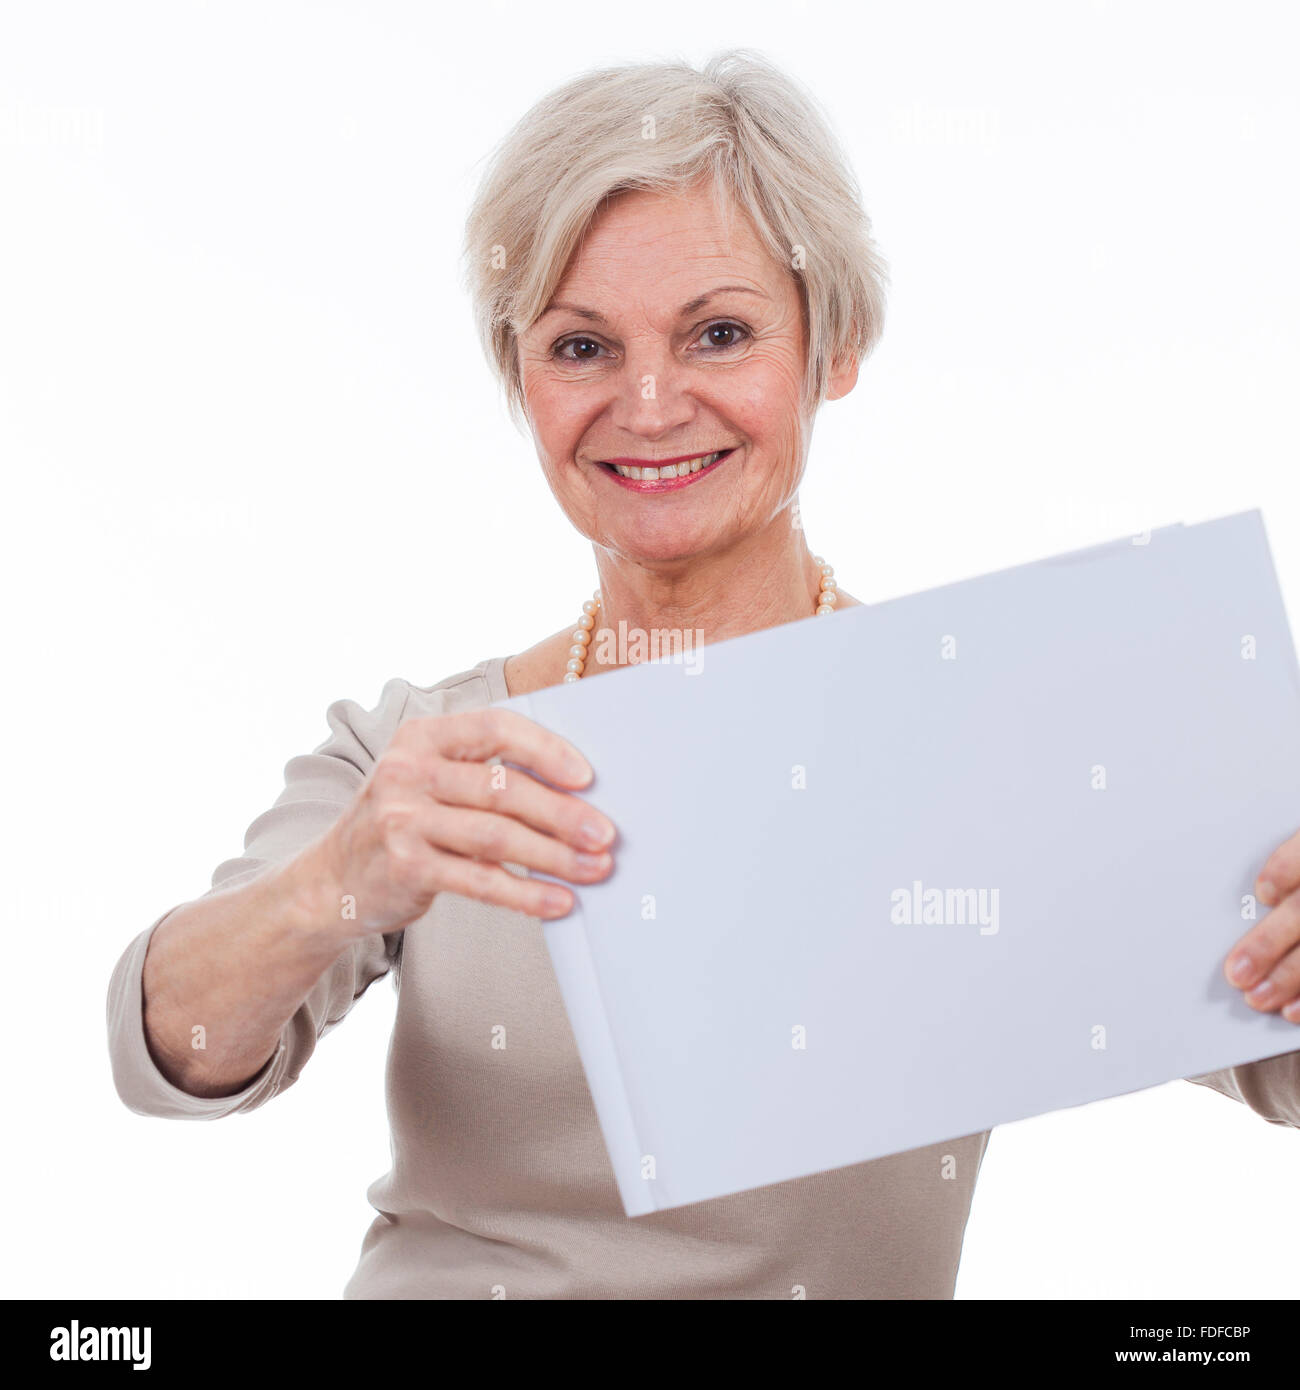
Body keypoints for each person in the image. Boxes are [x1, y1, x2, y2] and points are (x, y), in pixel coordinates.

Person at [107, 50, 1300, 1299]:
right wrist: (331, 883)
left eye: (719, 333)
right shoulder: (422, 758)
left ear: (834, 346)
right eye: (580, 347)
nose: (651, 400)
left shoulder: (982, 743)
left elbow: (1276, 1060)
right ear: (520, 380)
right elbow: (168, 1050)